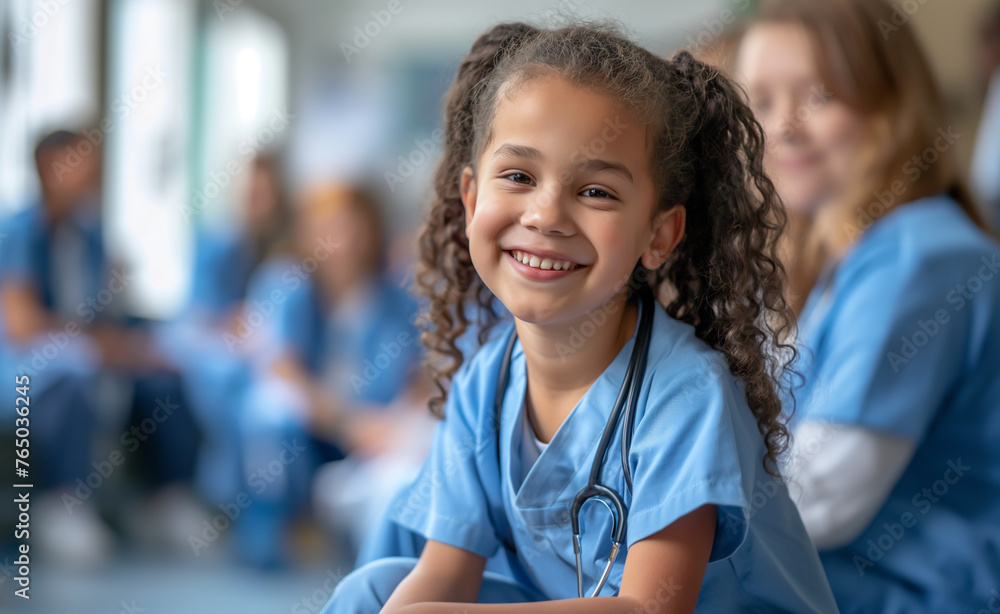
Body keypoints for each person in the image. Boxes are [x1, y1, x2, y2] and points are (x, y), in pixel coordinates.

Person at [322, 22, 838, 613]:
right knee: (372, 591)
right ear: (471, 200)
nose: (546, 215)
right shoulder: (484, 387)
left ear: (659, 235)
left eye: (596, 191)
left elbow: (649, 608)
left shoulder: (687, 394)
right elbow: (446, 577)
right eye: (519, 176)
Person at [736, 0, 1000, 611]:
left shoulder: (919, 258)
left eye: (819, 96)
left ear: (892, 105)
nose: (783, 127)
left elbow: (822, 501)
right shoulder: (851, 259)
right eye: (761, 102)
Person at [0, 130, 200, 562]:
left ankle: (164, 498)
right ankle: (60, 501)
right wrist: (96, 342)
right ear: (47, 170)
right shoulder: (17, 232)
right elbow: (22, 326)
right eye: (76, 164)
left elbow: (106, 316)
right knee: (75, 369)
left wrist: (131, 344)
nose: (89, 175)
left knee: (162, 371)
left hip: (90, 349)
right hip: (27, 366)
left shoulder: (91, 238)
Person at [235, 183, 425, 568]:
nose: (345, 243)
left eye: (356, 229)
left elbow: (423, 372)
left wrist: (398, 421)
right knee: (268, 411)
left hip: (373, 431)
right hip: (311, 431)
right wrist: (346, 423)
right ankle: (275, 529)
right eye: (330, 229)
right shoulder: (286, 284)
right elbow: (280, 367)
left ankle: (375, 544)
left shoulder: (397, 296)